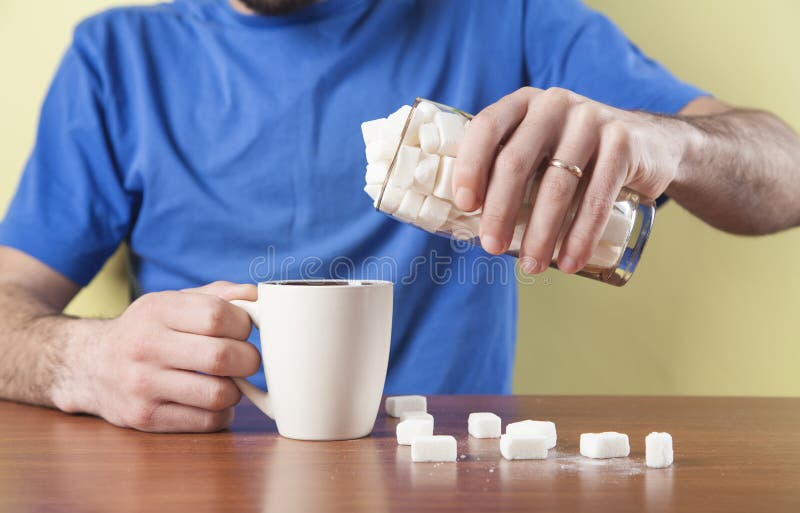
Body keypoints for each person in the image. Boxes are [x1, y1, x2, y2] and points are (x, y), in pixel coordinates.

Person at [1, 0, 798, 433]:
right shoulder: (116, 59)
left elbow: (786, 171)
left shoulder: (504, 17)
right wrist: (83, 359)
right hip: (201, 477)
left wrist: (670, 141)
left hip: (453, 477)